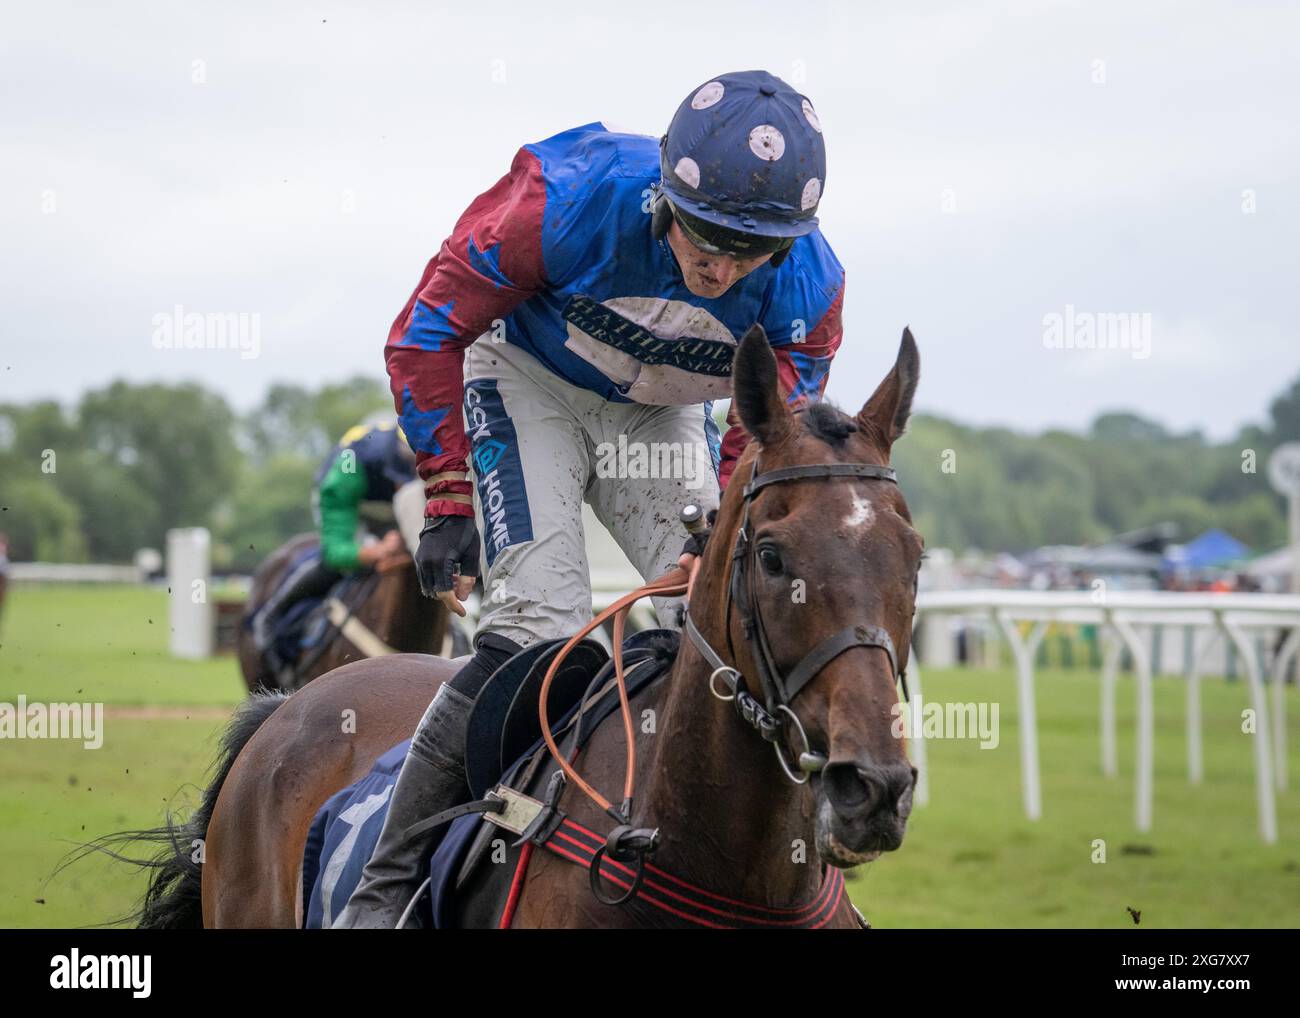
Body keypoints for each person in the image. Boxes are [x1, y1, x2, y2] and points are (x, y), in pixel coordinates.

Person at [335, 69, 846, 927]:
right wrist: (451, 494)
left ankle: (773, 856)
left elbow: (763, 435)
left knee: (728, 617)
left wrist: (721, 531)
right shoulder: (563, 197)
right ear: (662, 197)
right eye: (701, 232)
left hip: (662, 413)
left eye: (749, 248)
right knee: (535, 633)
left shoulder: (811, 292)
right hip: (526, 383)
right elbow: (426, 330)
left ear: (790, 245)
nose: (718, 265)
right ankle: (384, 891)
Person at [252, 417, 418, 677]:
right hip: (350, 501)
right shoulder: (347, 471)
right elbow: (337, 551)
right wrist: (377, 551)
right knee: (339, 565)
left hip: (387, 504)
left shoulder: (432, 454)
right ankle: (273, 614)